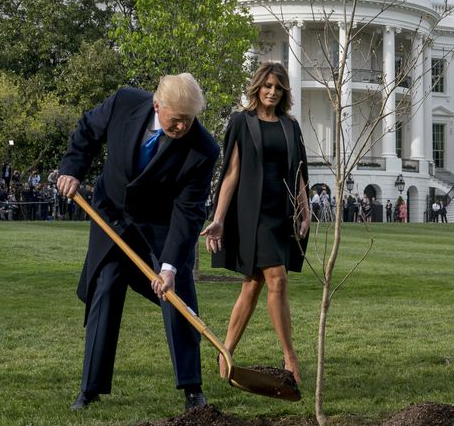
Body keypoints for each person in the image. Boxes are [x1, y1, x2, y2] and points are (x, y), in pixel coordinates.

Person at [57, 74, 219, 412]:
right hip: (111, 214)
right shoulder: (125, 102)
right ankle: (90, 388)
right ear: (157, 105)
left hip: (161, 225)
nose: (183, 127)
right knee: (106, 286)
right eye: (177, 119)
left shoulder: (203, 149)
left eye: (189, 120)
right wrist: (72, 169)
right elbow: (87, 130)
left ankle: (192, 388)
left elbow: (189, 211)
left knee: (176, 297)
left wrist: (169, 266)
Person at [200, 62, 312, 384]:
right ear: (258, 86)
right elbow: (231, 172)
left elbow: (299, 172)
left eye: (278, 88)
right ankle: (289, 356)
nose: (272, 92)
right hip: (255, 213)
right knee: (277, 279)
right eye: (268, 86)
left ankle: (225, 350)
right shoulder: (241, 121)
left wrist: (304, 209)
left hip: (282, 212)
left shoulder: (290, 125)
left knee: (253, 284)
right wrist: (219, 218)